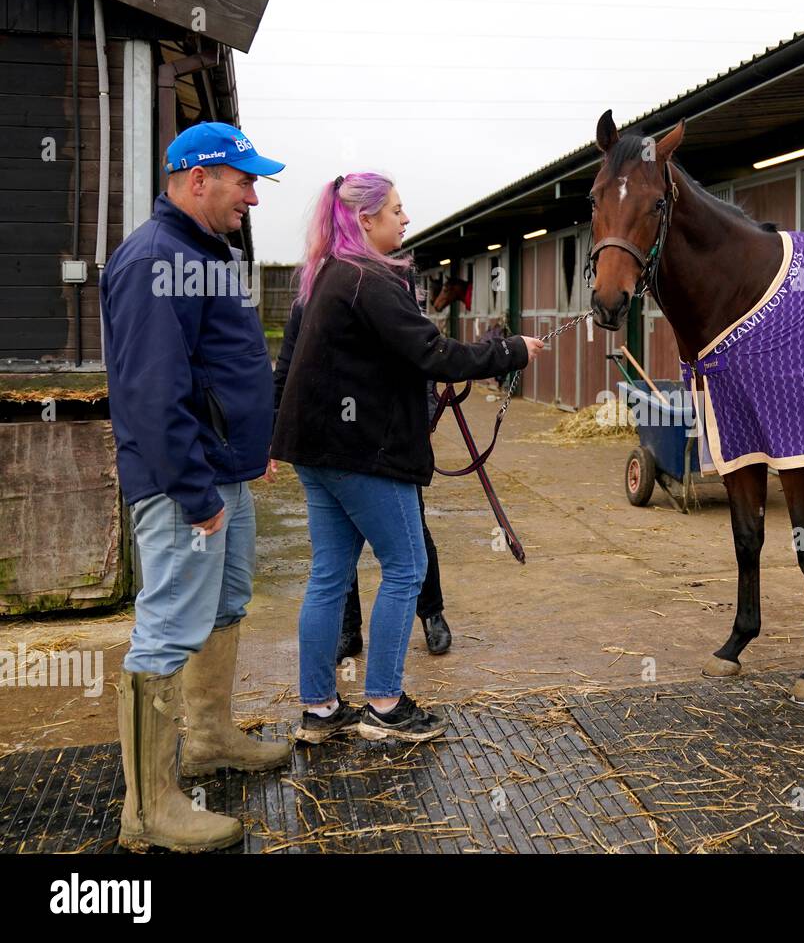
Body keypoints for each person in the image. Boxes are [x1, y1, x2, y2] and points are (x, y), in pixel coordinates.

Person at [271, 172, 542, 744]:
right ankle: (386, 706)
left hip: (317, 451)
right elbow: (431, 352)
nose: (405, 218)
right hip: (361, 451)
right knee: (406, 567)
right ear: (365, 219)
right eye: (396, 209)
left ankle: (319, 710)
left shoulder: (327, 275)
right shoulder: (370, 278)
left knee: (328, 575)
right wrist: (510, 351)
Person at [100, 122, 289, 853]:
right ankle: (149, 809)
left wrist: (249, 453)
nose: (252, 196)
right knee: (169, 626)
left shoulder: (202, 253)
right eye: (243, 181)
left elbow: (216, 369)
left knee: (224, 602)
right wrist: (196, 492)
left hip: (222, 473)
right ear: (198, 177)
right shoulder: (156, 258)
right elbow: (152, 394)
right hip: (187, 485)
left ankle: (207, 740)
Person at [272, 285, 451, 663]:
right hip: (339, 444)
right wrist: (272, 431)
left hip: (388, 441)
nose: (403, 221)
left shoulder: (391, 287)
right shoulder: (310, 299)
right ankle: (350, 631)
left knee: (411, 531)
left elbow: (423, 357)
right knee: (348, 552)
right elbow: (288, 369)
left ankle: (432, 613)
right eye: (396, 218)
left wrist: (423, 417)